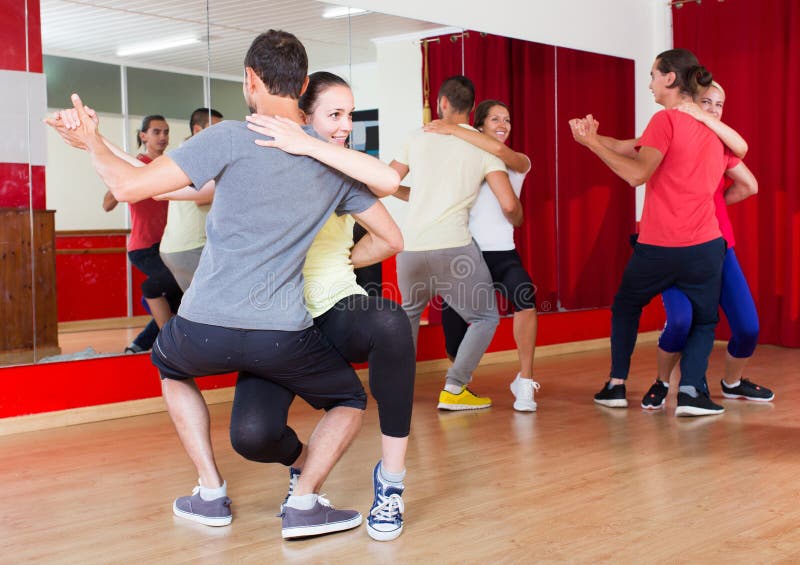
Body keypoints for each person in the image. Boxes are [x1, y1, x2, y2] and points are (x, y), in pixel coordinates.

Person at [46, 29, 402, 539]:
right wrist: (97, 142)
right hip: (281, 333)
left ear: (250, 80)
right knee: (348, 400)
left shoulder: (228, 137)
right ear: (303, 85)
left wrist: (90, 143)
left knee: (169, 365)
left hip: (202, 327)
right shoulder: (330, 162)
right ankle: (303, 503)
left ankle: (210, 492)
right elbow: (389, 196)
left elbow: (129, 186)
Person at [230, 71, 415, 541]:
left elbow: (390, 235)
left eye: (349, 114)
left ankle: (391, 482)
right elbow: (173, 182)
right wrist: (97, 146)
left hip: (335, 307)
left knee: (390, 322)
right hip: (277, 320)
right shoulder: (263, 162)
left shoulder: (342, 166)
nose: (346, 125)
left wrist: (343, 260)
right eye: (335, 114)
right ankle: (303, 465)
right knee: (252, 436)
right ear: (303, 114)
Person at [569, 48, 741, 417]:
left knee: (626, 306)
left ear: (670, 78)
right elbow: (631, 148)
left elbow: (636, 174)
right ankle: (691, 393)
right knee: (705, 319)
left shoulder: (665, 120)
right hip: (706, 247)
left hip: (660, 247)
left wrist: (592, 144)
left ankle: (616, 385)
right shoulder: (713, 128)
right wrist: (594, 137)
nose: (649, 84)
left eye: (653, 75)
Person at [390, 76, 523, 411]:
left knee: (409, 315)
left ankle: (398, 391)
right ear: (472, 108)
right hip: (453, 248)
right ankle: (454, 387)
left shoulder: (416, 137)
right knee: (485, 317)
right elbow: (508, 203)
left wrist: (420, 196)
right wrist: (518, 218)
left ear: (442, 103)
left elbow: (386, 183)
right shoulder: (482, 147)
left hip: (410, 249)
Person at [640, 80, 771, 409]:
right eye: (706, 102)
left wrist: (709, 207)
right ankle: (661, 381)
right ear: (689, 103)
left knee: (748, 327)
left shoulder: (720, 144)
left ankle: (732, 383)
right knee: (680, 322)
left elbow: (749, 185)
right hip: (674, 249)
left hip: (719, 246)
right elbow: (633, 150)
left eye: (719, 104)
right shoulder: (670, 135)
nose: (713, 109)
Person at [426, 99, 540, 411]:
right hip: (465, 257)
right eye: (495, 119)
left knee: (525, 296)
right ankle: (458, 386)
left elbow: (500, 151)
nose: (504, 125)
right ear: (479, 126)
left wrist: (452, 128)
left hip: (503, 256)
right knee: (453, 335)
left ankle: (525, 382)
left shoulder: (519, 161)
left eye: (507, 119)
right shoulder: (463, 166)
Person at [102, 115, 182, 353]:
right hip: (144, 248)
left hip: (169, 246)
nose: (163, 137)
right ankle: (167, 344)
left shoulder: (169, 166)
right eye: (157, 132)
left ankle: (139, 346)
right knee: (168, 289)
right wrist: (124, 178)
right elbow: (107, 204)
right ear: (143, 136)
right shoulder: (135, 166)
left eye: (166, 132)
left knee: (177, 300)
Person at [158, 108, 223, 291]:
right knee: (213, 299)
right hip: (190, 245)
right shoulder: (198, 154)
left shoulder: (184, 151)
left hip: (175, 246)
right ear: (197, 129)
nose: (220, 134)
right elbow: (201, 198)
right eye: (214, 128)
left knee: (195, 302)